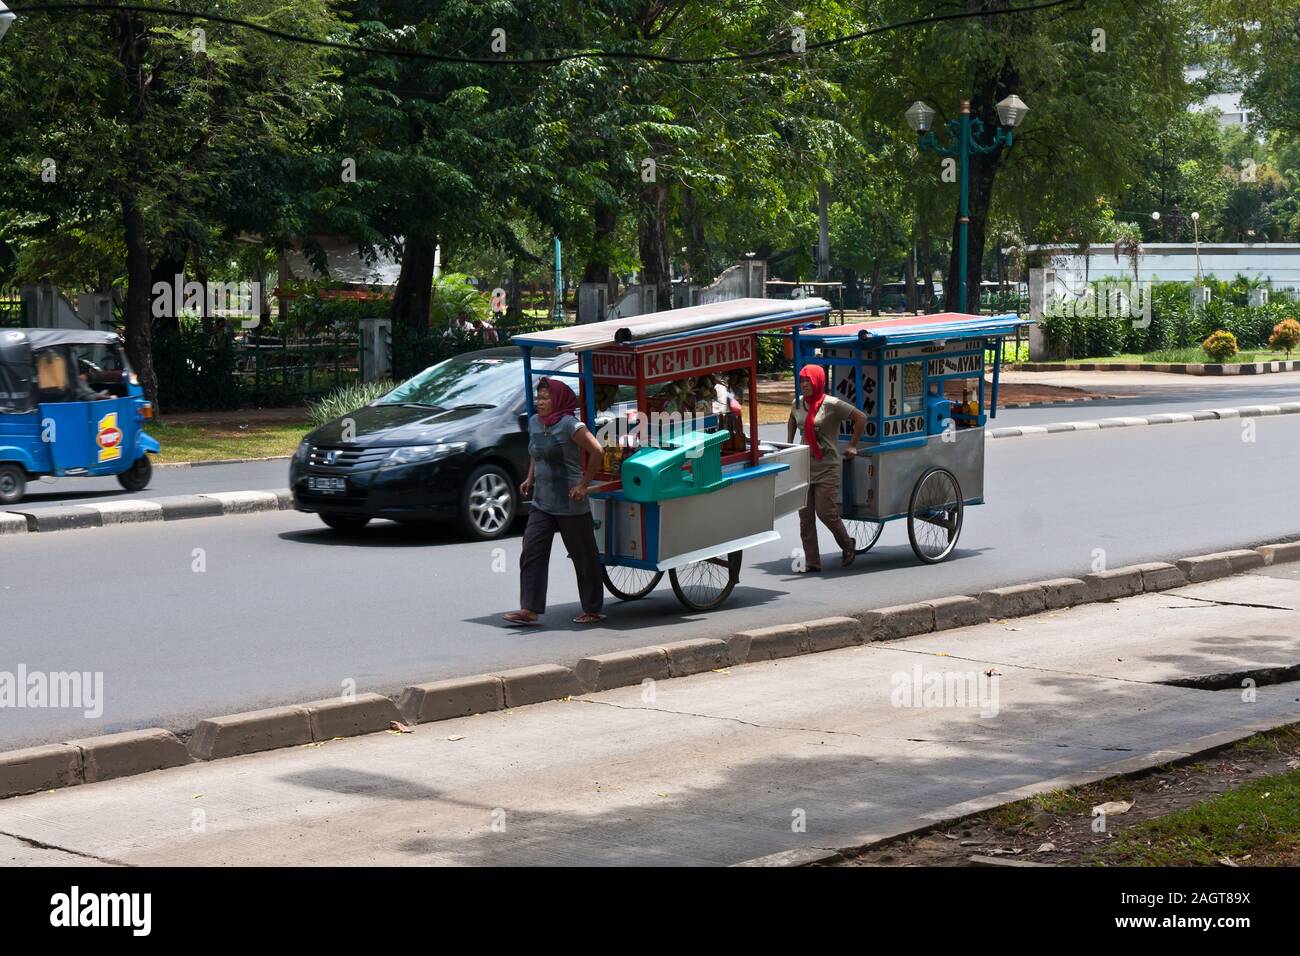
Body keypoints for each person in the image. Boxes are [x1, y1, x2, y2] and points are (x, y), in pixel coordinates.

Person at [504, 377, 607, 626]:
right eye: (538, 398)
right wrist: (530, 478)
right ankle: (529, 609)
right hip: (542, 501)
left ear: (558, 399)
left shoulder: (570, 425)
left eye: (545, 398)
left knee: (583, 557)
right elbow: (536, 452)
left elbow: (597, 451)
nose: (540, 402)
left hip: (570, 502)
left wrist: (584, 485)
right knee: (532, 551)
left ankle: (592, 608)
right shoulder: (534, 422)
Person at [787, 364, 867, 572]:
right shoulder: (798, 403)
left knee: (826, 512)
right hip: (805, 466)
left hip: (827, 466)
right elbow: (792, 420)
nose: (804, 384)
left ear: (818, 382)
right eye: (802, 380)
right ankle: (812, 562)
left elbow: (861, 418)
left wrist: (852, 445)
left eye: (809, 381)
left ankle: (848, 545)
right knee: (805, 518)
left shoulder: (832, 404)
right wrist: (789, 445)